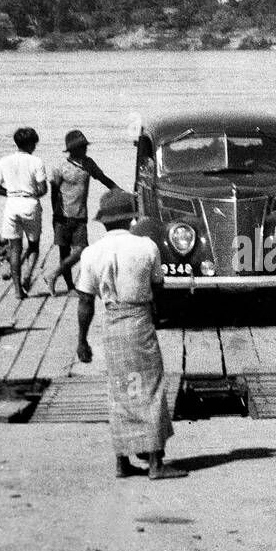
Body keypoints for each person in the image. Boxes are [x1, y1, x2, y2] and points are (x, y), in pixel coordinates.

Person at [75, 190, 187, 481]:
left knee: (120, 390)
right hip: (139, 322)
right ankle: (154, 462)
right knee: (149, 387)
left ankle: (122, 461)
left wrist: (81, 340)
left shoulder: (91, 253)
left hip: (112, 323)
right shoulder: (146, 246)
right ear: (131, 217)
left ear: (103, 222)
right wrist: (157, 317)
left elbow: (85, 301)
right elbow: (158, 288)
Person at [44, 129, 118, 294]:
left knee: (81, 250)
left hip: (80, 216)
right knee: (64, 251)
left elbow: (104, 179)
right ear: (72, 149)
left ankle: (53, 274)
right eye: (81, 147)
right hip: (62, 216)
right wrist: (55, 214)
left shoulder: (88, 164)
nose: (84, 150)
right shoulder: (60, 167)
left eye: (85, 146)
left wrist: (118, 190)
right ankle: (69, 286)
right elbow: (54, 193)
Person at [0, 127, 47, 300]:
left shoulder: (5, 160)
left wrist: (11, 193)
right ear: (31, 143)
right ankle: (28, 277)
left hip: (12, 205)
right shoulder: (36, 161)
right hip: (29, 204)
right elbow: (43, 189)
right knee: (34, 246)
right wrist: (30, 194)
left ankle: (17, 290)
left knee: (14, 248)